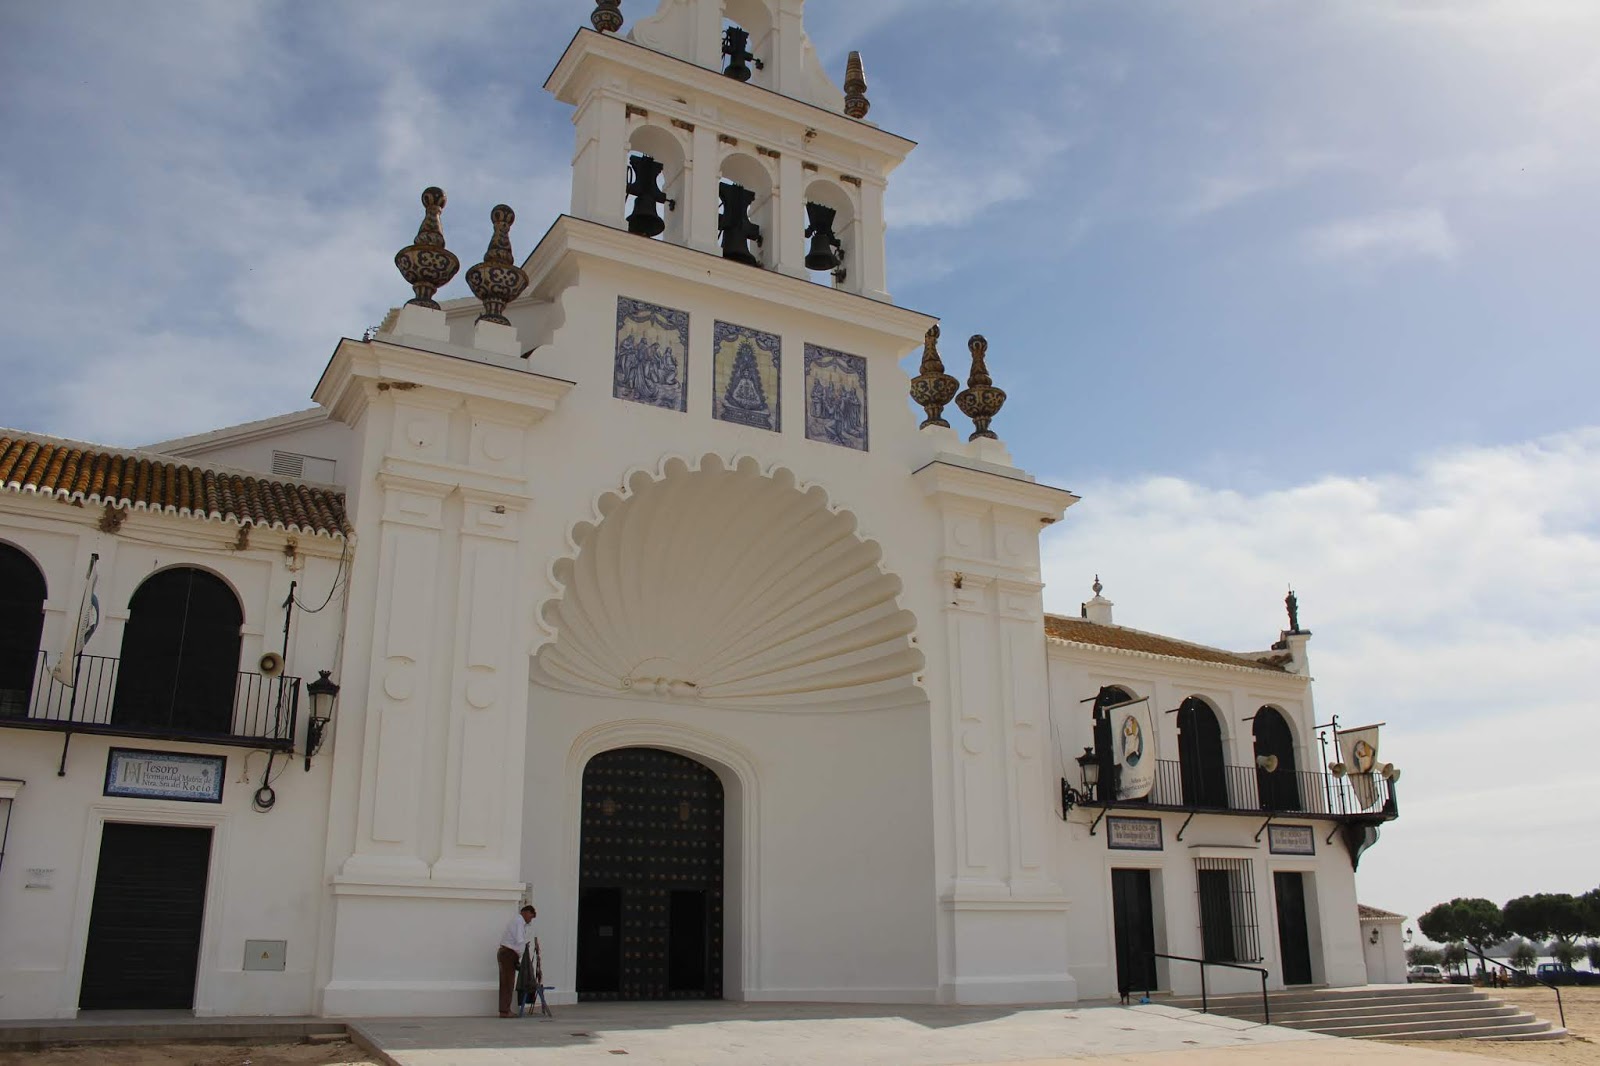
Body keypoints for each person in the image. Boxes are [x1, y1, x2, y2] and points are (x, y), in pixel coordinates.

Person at [497, 905, 536, 1017]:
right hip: (508, 954)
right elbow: (519, 940)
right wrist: (524, 947)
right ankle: (505, 1011)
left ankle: (505, 1009)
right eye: (531, 916)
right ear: (526, 912)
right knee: (507, 983)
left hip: (509, 954)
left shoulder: (518, 921)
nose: (530, 920)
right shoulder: (519, 922)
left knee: (507, 982)